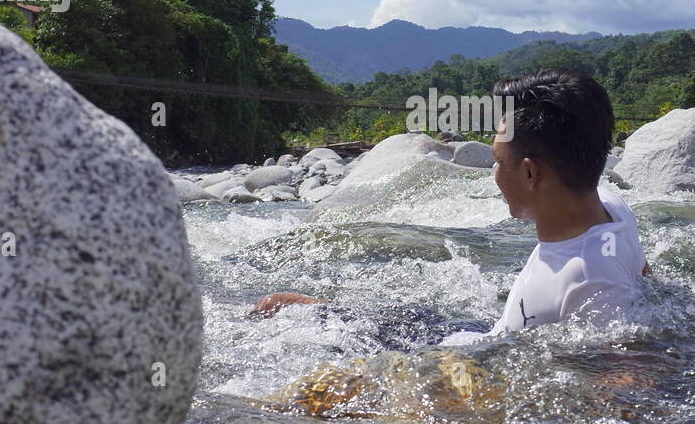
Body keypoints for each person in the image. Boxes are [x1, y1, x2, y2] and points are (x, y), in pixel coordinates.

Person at [251, 70, 650, 343]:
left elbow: (623, 385)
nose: (495, 175)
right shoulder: (611, 208)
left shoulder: (590, 281)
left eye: (497, 161)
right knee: (277, 306)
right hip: (476, 334)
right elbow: (645, 277)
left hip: (467, 362)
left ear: (530, 175)